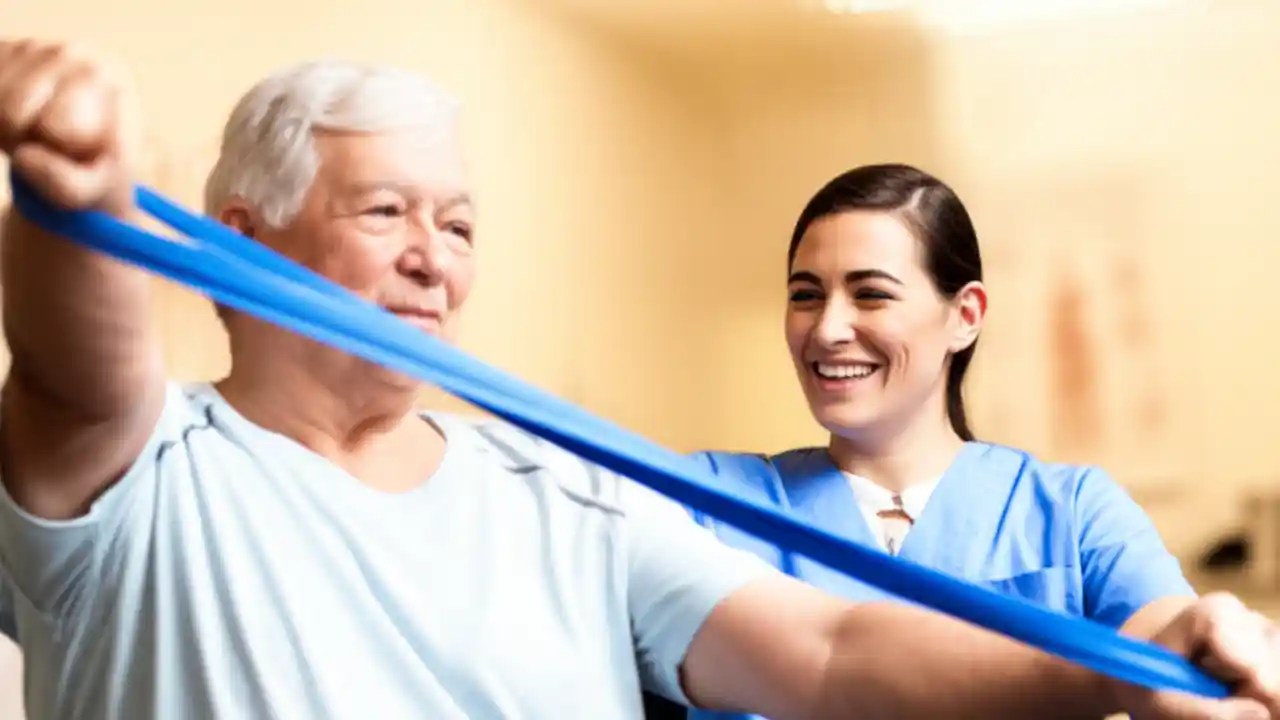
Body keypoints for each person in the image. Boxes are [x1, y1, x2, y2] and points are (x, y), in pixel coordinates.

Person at [0, 39, 1276, 720]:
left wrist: (1120, 663)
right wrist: (75, 195)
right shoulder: (143, 478)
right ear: (239, 241)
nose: (435, 258)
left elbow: (826, 653)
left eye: (460, 223)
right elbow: (78, 366)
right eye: (386, 211)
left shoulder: (567, 488)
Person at [686, 163, 1279, 719]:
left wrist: (1208, 640)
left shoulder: (1071, 512)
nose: (827, 328)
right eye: (805, 295)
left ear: (965, 315)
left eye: (871, 294)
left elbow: (1162, 634)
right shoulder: (706, 501)